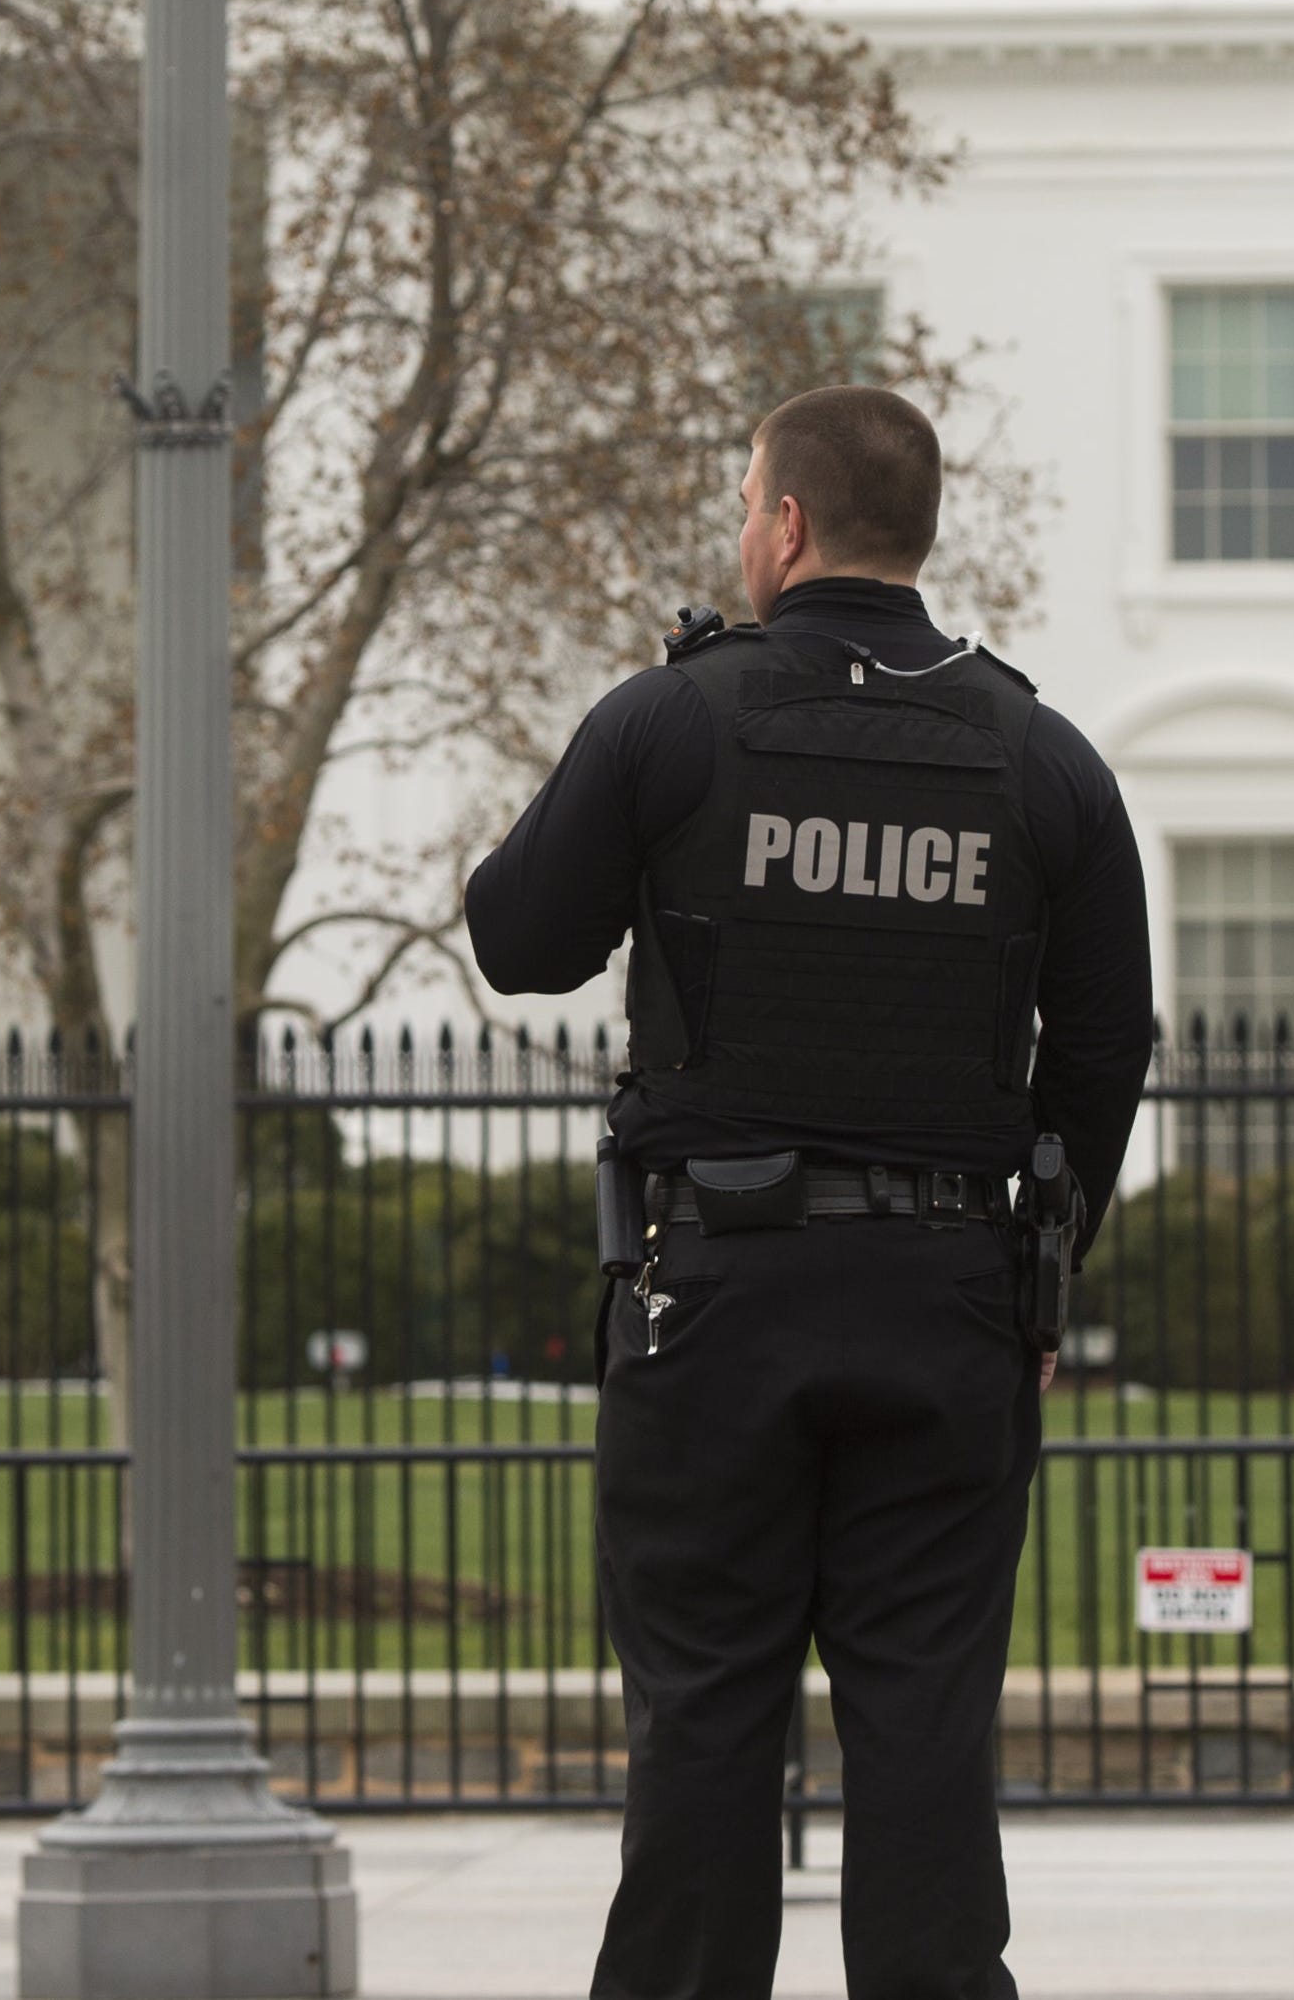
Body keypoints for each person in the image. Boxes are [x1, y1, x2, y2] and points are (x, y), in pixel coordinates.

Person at [465, 384, 1153, 2000]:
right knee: (923, 1735)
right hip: (946, 1301)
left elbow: (517, 937)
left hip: (710, 1294)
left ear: (780, 523)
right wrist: (1042, 1270)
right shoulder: (1040, 754)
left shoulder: (673, 717)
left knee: (702, 1721)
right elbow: (1107, 1041)